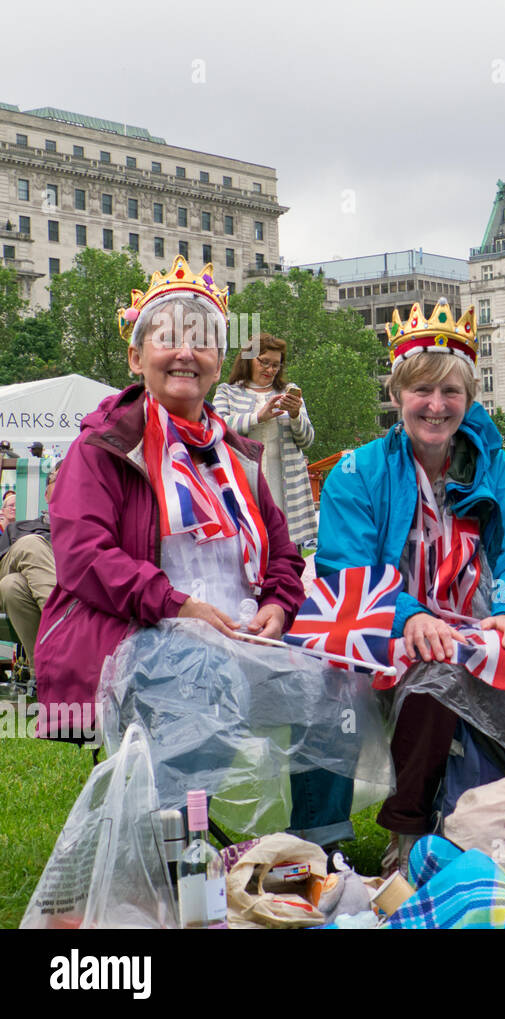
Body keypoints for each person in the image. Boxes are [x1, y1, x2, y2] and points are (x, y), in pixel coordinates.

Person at [32, 256, 358, 847]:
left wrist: (280, 608)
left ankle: (317, 848)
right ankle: (179, 851)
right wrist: (179, 606)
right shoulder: (103, 447)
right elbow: (83, 555)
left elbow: (284, 555)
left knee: (333, 671)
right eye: (167, 340)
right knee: (195, 671)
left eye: (202, 342)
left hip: (243, 632)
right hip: (141, 636)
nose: (186, 353)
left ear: (217, 362)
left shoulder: (239, 454)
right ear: (136, 358)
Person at [316, 298, 505, 877]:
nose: (436, 405)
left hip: (472, 623)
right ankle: (406, 835)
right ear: (397, 396)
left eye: (451, 392)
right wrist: (408, 617)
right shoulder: (359, 470)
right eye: (422, 390)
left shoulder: (494, 467)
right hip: (379, 626)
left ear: (468, 400)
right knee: (432, 675)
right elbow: (344, 567)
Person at [214, 333, 317, 548]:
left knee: (287, 552)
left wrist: (296, 415)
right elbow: (217, 428)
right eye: (264, 362)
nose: (270, 370)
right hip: (245, 484)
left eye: (276, 365)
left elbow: (307, 441)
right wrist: (258, 417)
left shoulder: (289, 393)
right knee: (249, 546)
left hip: (286, 486)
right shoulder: (227, 392)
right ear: (248, 359)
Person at [0, 466, 58, 654]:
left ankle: (40, 673)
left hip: (30, 594)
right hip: (10, 566)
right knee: (31, 545)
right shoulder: (18, 529)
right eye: (57, 479)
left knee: (12, 585)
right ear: (46, 495)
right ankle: (61, 627)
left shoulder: (87, 533)